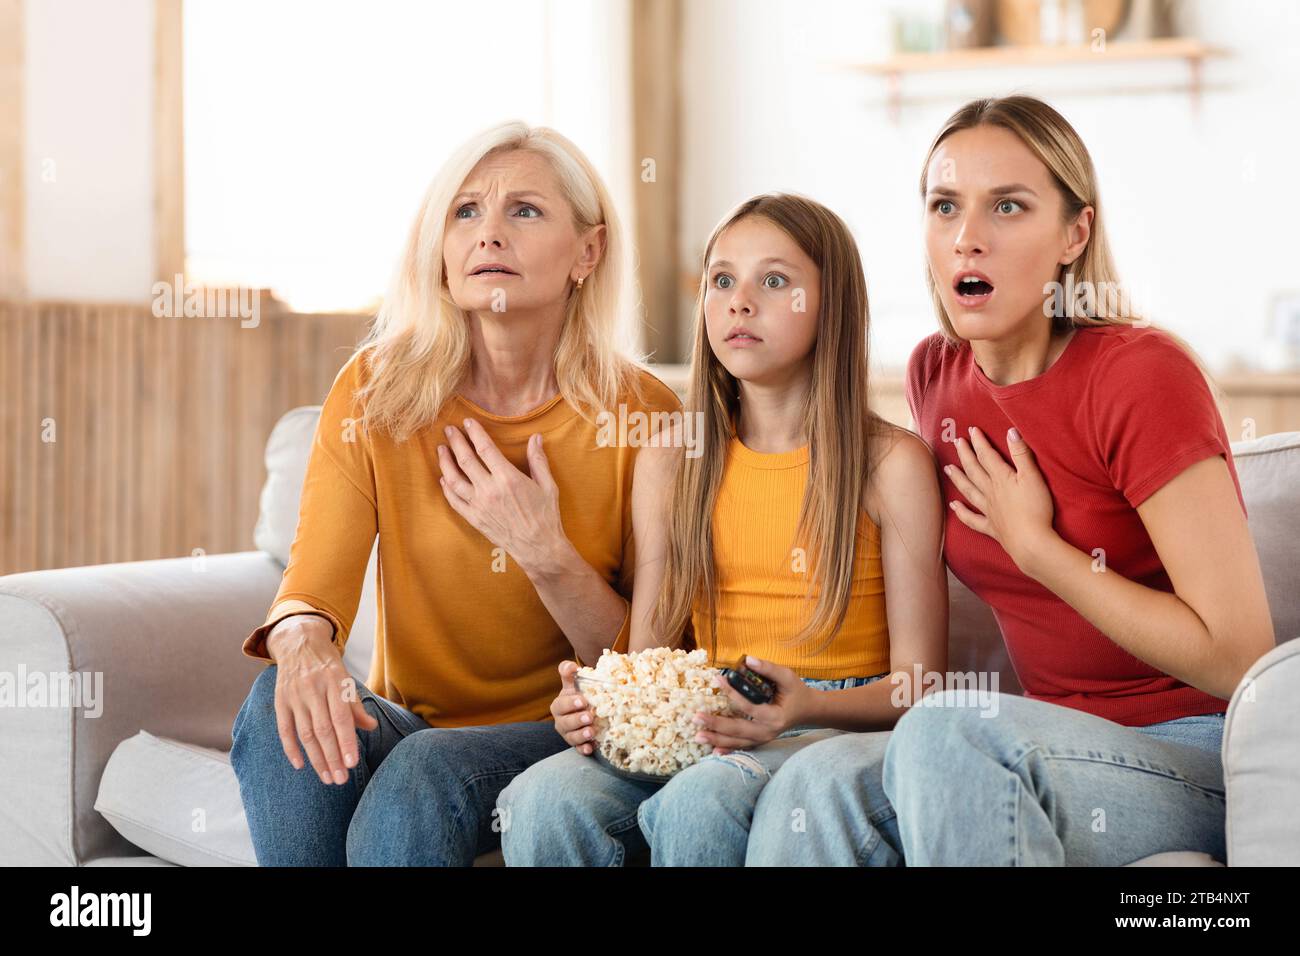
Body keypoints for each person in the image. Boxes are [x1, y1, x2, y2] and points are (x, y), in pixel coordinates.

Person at [745, 95, 1274, 867]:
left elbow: (1239, 655)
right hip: (1035, 736)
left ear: (1074, 234)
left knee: (949, 731)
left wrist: (1042, 549)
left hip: (1187, 756)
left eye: (1009, 207)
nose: (967, 238)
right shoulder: (938, 373)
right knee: (815, 780)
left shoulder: (1141, 376)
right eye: (945, 206)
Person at [229, 121, 680, 865]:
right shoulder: (377, 391)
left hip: (566, 733)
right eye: (465, 212)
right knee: (272, 707)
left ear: (588, 253)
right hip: (412, 725)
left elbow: (647, 684)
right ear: (439, 249)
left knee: (427, 770)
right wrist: (303, 643)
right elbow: (313, 582)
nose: (488, 234)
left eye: (524, 211)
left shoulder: (644, 416)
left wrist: (545, 551)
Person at [497, 193, 948, 866]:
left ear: (832, 305)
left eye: (774, 281)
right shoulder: (672, 459)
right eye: (721, 280)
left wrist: (795, 709)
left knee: (697, 802)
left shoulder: (890, 463)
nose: (739, 302)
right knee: (542, 798)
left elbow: (924, 686)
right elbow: (651, 652)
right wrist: (603, 699)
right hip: (709, 715)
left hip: (832, 727)